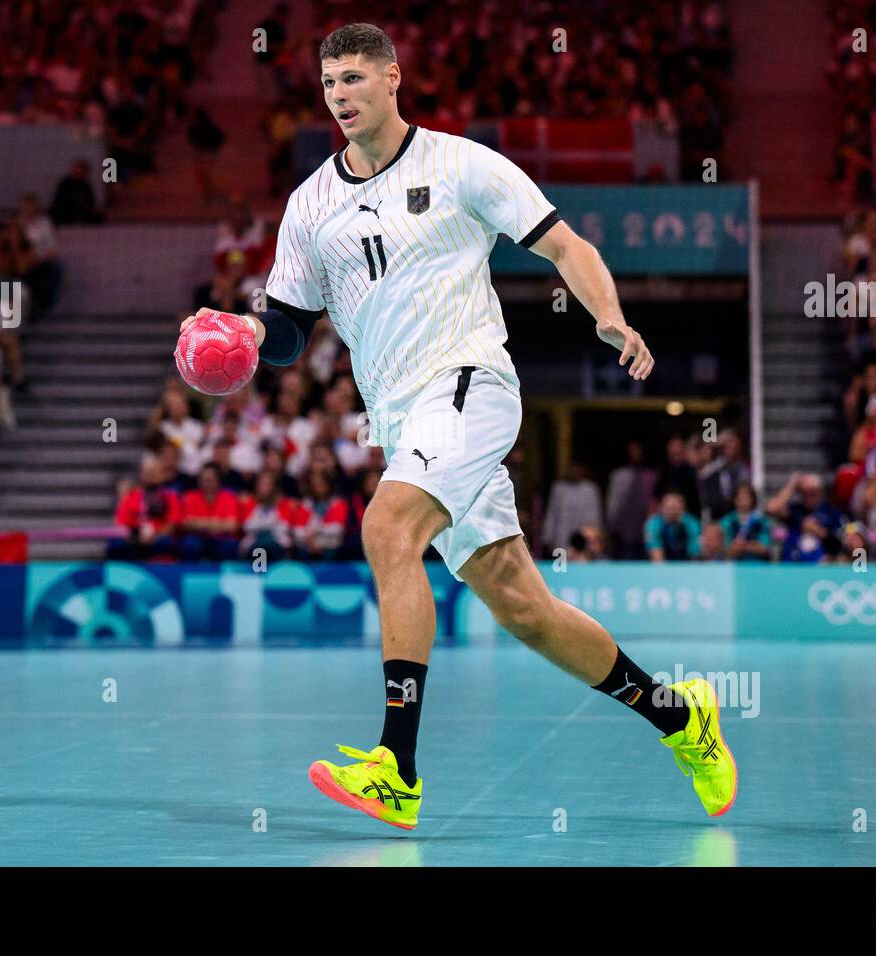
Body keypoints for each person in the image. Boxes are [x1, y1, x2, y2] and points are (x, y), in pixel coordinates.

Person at [181, 23, 735, 829]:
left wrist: (609, 318)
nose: (339, 95)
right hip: (404, 421)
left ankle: (396, 768)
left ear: (393, 78)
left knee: (387, 529)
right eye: (330, 82)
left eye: (354, 79)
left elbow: (564, 244)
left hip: (472, 384)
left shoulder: (462, 164)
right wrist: (249, 331)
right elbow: (294, 327)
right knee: (524, 609)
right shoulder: (310, 206)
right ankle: (683, 719)